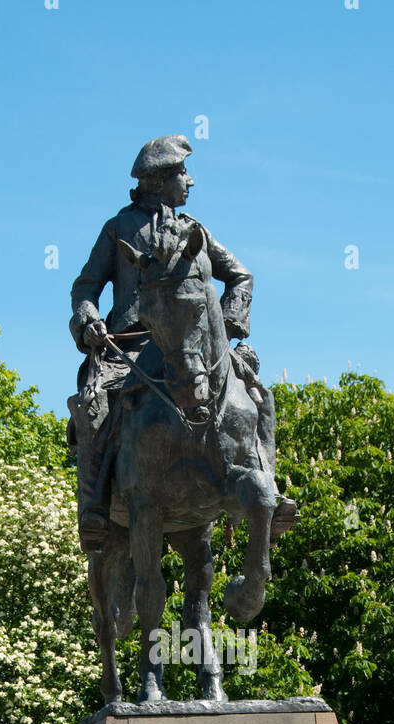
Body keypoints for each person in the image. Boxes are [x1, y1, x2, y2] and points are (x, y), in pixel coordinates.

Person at [68, 134, 286, 551]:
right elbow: (86, 287)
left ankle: (268, 491)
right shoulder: (119, 228)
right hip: (131, 345)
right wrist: (89, 320)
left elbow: (241, 275)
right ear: (159, 179)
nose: (190, 181)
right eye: (182, 173)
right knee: (94, 406)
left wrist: (224, 324)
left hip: (195, 343)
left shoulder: (196, 232)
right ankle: (94, 506)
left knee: (259, 397)